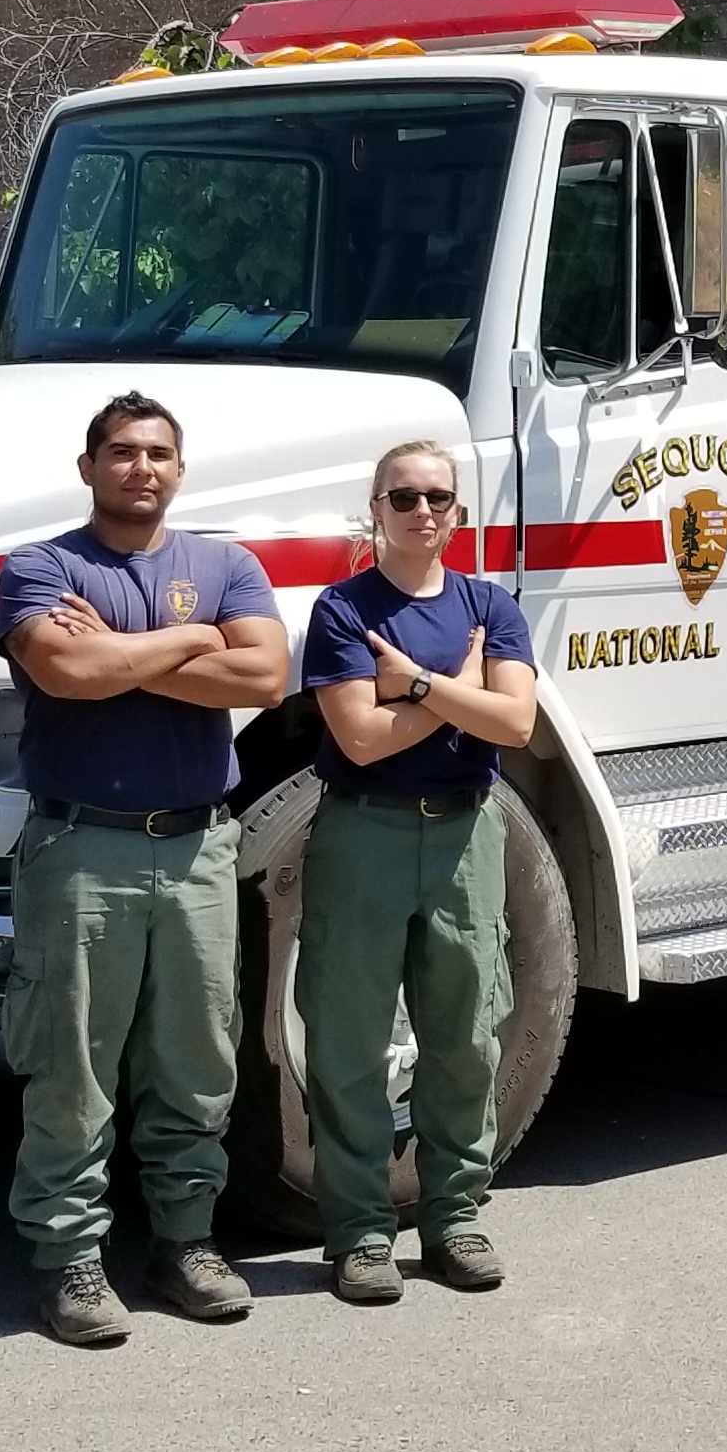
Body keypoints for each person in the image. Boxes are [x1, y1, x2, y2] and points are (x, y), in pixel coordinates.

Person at [0, 394, 289, 1345]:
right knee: (72, 1062)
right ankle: (69, 1259)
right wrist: (196, 639)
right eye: (121, 453)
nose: (141, 468)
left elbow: (265, 679)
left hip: (202, 846)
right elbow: (64, 673)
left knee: (198, 1057)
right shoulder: (41, 566)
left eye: (159, 453)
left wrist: (120, 653)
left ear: (181, 469)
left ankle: (185, 1242)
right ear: (87, 467)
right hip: (84, 846)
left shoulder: (226, 564)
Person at [297, 441, 538, 1304]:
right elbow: (359, 739)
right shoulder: (343, 610)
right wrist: (457, 693)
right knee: (348, 1039)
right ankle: (360, 1235)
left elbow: (514, 724)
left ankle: (454, 1220)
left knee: (466, 1035)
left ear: (459, 513)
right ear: (376, 509)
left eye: (438, 497)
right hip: (364, 835)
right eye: (404, 496)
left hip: (466, 834)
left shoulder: (491, 605)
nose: (422, 511)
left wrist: (417, 684)